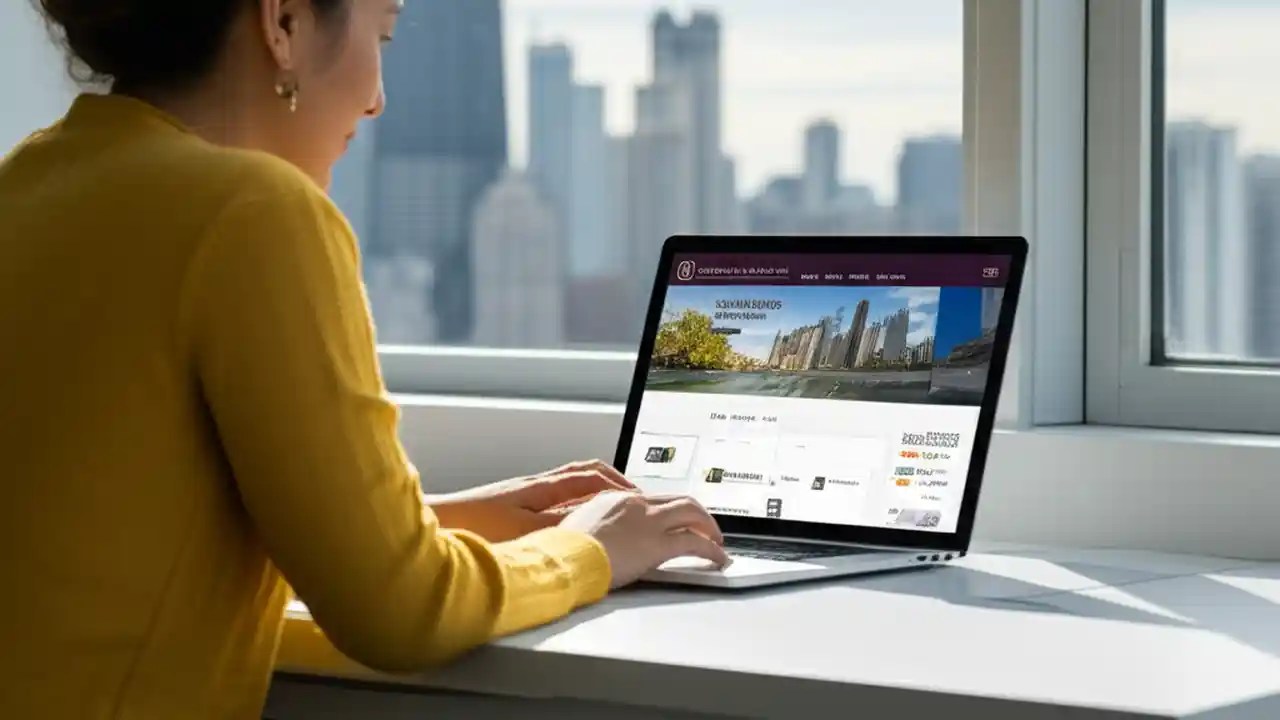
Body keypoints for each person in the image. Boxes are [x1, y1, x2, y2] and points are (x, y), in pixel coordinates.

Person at [0, 1, 729, 717]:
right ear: (282, 23)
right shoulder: (252, 210)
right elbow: (401, 612)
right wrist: (589, 551)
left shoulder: (27, 183)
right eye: (381, 35)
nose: (378, 100)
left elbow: (126, 526)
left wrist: (457, 520)